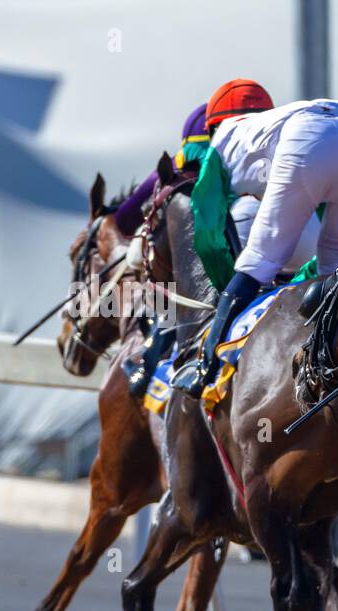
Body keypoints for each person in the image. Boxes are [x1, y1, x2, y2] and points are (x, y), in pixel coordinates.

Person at [173, 79, 338, 397]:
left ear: (212, 127)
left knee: (258, 261)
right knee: (337, 268)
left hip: (308, 141)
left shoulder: (222, 141)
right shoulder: (275, 124)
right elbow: (315, 221)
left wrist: (232, 287)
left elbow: (208, 237)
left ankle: (205, 369)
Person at [120, 103, 212, 397]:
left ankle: (148, 364)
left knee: (167, 290)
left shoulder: (174, 169)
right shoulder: (268, 160)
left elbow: (124, 220)